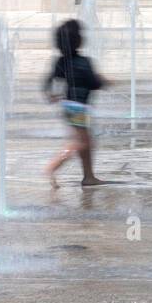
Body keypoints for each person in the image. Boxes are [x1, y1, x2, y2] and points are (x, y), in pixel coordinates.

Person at [43, 19, 106, 188]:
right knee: (82, 143)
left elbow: (48, 80)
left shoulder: (60, 62)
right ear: (78, 39)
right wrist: (103, 81)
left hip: (68, 105)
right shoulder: (84, 62)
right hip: (79, 107)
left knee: (84, 142)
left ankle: (88, 176)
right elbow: (94, 83)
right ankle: (53, 166)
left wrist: (51, 94)